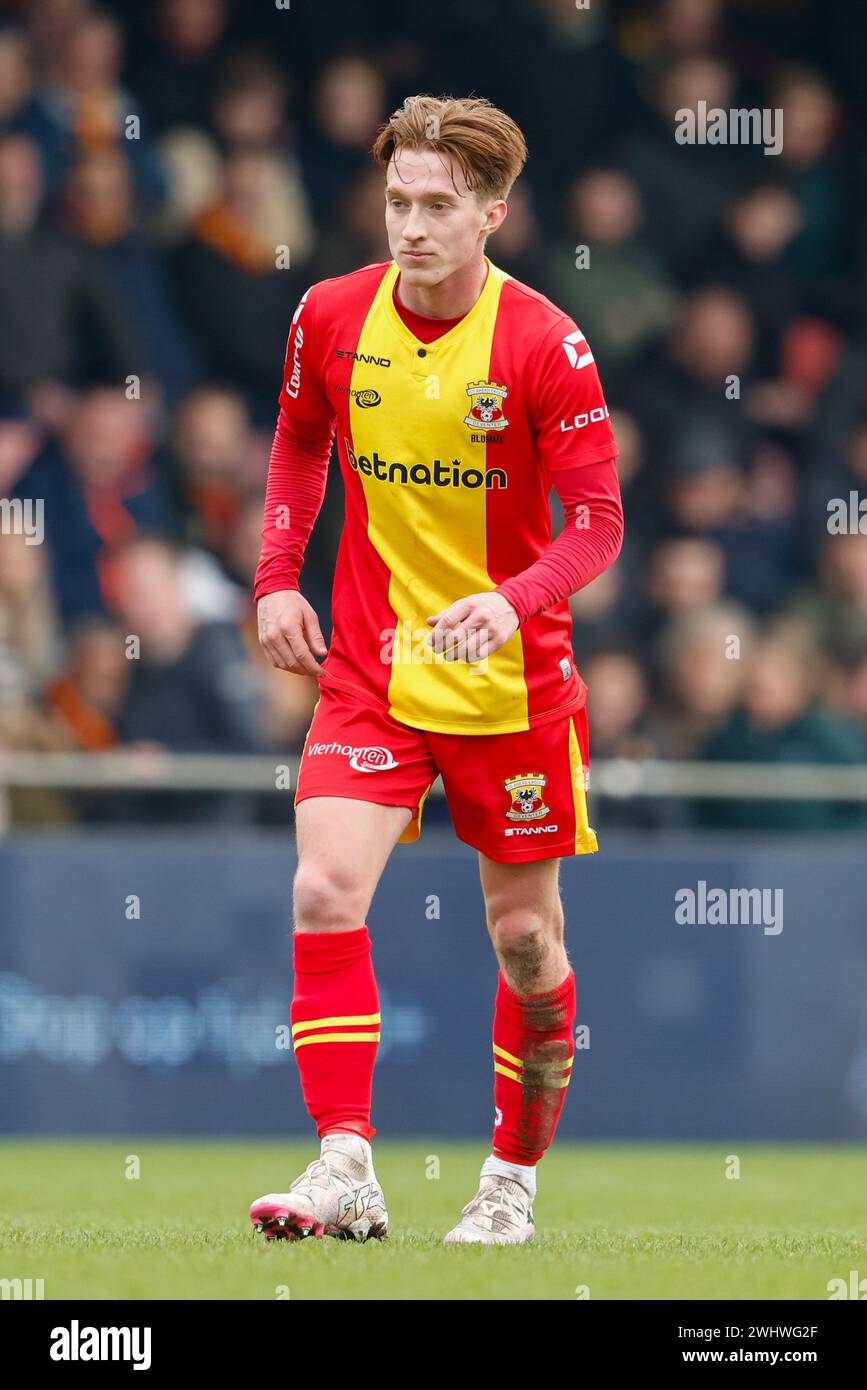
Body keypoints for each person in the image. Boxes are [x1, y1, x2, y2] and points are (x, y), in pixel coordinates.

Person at [249, 95, 623, 1245]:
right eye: (398, 201)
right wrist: (276, 575)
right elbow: (303, 439)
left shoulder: (543, 343)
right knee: (321, 888)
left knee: (526, 940)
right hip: (371, 663)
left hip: (512, 685)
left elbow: (599, 524)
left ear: (493, 214)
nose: (410, 227)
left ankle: (508, 1180)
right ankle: (345, 1163)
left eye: (439, 207)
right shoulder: (329, 315)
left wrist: (508, 604)